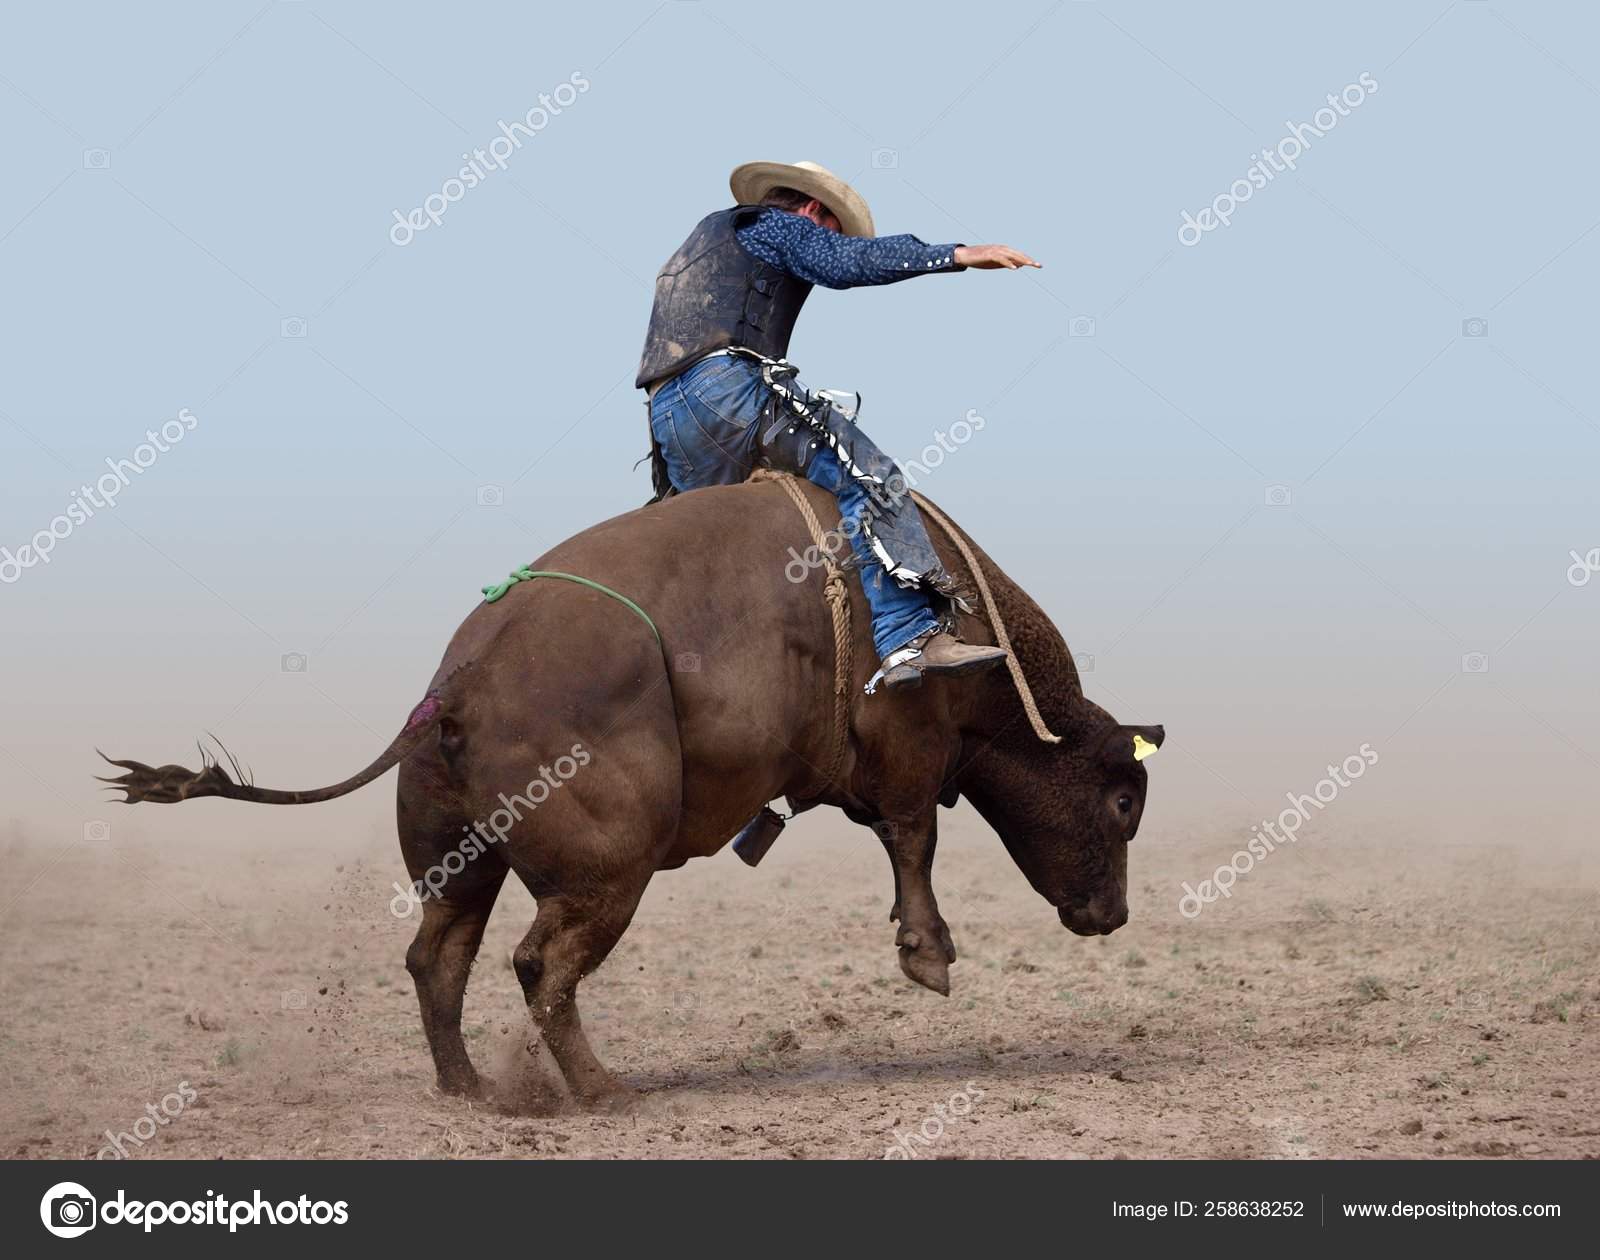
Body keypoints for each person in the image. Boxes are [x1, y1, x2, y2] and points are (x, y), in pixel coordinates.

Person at [638, 160, 1039, 689]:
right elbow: (846, 263)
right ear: (812, 208)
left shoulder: (707, 239)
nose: (829, 238)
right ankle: (908, 636)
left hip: (668, 414)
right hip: (725, 393)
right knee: (871, 478)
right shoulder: (777, 225)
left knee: (717, 542)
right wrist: (956, 255)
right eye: (831, 227)